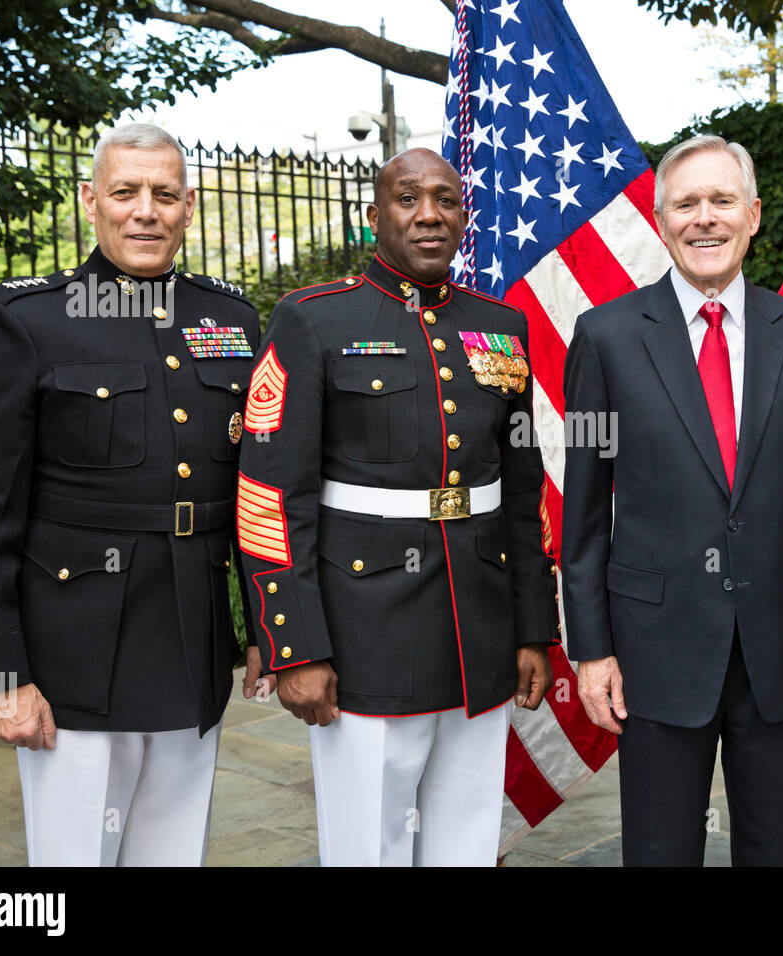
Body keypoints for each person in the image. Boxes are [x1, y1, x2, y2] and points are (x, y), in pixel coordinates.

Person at [0, 122, 264, 866]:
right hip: (73, 655)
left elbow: (255, 489)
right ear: (91, 201)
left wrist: (266, 632)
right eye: (125, 193)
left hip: (193, 643)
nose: (144, 211)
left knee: (172, 854)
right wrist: (2, 676)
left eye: (164, 194)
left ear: (190, 206)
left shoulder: (230, 320)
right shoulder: (29, 322)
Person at [235, 148, 556, 867]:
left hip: (479, 626)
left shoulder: (500, 325)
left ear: (463, 216)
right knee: (367, 845)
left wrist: (535, 626)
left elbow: (520, 490)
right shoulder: (312, 319)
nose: (429, 214)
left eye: (445, 199)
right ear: (375, 214)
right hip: (362, 629)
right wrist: (295, 644)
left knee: (468, 838)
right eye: (408, 198)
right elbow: (271, 493)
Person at [561, 135, 783, 866]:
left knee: (770, 852)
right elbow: (586, 514)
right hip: (653, 648)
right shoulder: (606, 337)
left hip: (778, 651)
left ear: (753, 215)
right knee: (661, 851)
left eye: (722, 201)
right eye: (686, 203)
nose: (705, 219)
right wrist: (592, 649)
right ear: (661, 221)